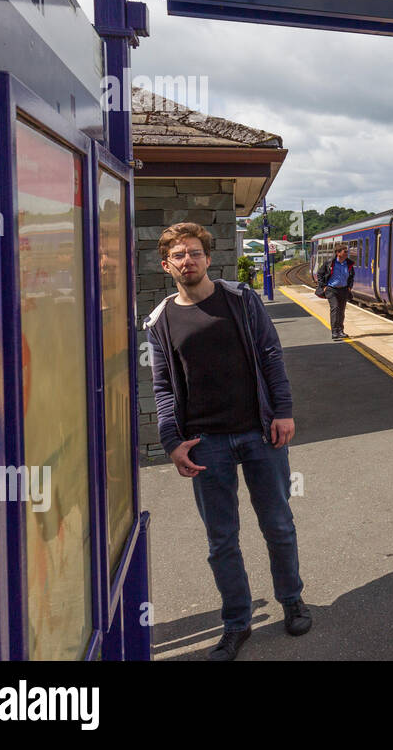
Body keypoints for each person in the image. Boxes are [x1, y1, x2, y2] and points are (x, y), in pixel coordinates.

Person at [145, 222, 310, 661]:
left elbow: (271, 353)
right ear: (167, 265)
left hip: (259, 431)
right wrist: (172, 442)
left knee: (277, 523)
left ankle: (291, 600)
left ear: (207, 257)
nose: (188, 261)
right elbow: (162, 386)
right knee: (222, 540)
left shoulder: (239, 299)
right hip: (205, 443)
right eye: (179, 255)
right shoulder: (160, 320)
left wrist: (284, 410)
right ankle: (237, 622)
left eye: (195, 253)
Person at [318, 244, 355, 340]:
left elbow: (351, 276)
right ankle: (334, 332)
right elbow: (320, 273)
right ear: (338, 253)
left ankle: (340, 331)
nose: (347, 253)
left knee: (341, 311)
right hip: (331, 289)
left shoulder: (349, 263)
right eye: (345, 251)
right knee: (335, 308)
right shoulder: (330, 263)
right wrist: (324, 286)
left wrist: (349, 287)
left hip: (343, 289)